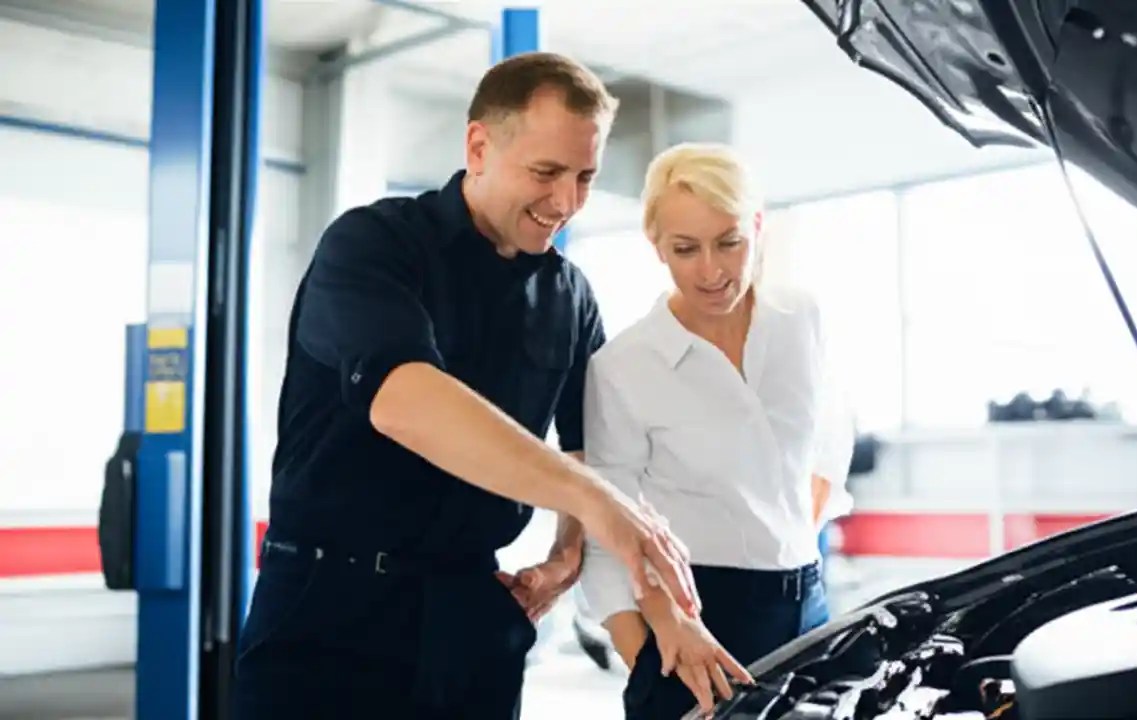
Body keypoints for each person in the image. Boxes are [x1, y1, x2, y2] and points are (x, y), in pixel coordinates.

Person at [232, 52, 699, 720]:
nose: (565, 202)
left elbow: (587, 442)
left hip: (474, 613)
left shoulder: (571, 297)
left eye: (584, 177)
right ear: (478, 146)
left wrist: (568, 553)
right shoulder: (372, 245)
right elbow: (404, 401)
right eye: (545, 172)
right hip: (328, 610)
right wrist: (594, 503)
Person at [578, 142, 856, 718]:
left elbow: (830, 424)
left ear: (757, 227)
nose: (712, 270)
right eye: (686, 249)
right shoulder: (625, 366)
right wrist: (652, 667)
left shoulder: (801, 318)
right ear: (656, 245)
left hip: (809, 602)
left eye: (730, 242)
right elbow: (605, 534)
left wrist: (804, 510)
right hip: (697, 623)